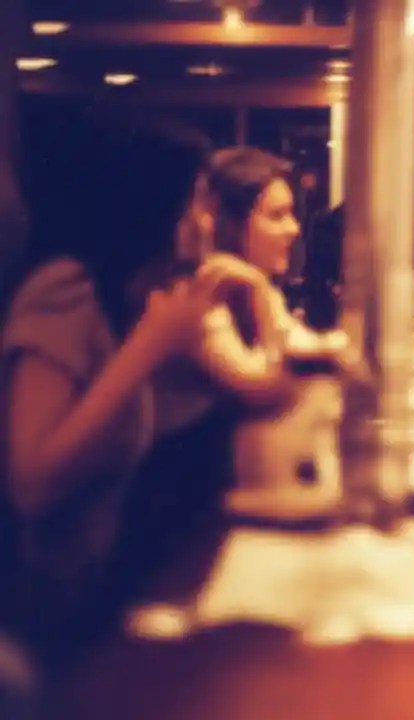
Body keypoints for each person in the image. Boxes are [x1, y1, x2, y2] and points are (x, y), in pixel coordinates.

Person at [1, 112, 225, 641]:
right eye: (196, 199)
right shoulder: (66, 289)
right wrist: (151, 346)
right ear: (152, 204)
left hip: (111, 592)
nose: (207, 219)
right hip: (58, 615)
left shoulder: (127, 295)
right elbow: (31, 483)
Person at [199, 146, 342, 405]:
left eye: (291, 214)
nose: (294, 228)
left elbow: (306, 344)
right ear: (229, 224)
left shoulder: (257, 289)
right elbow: (270, 388)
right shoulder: (206, 295)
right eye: (277, 215)